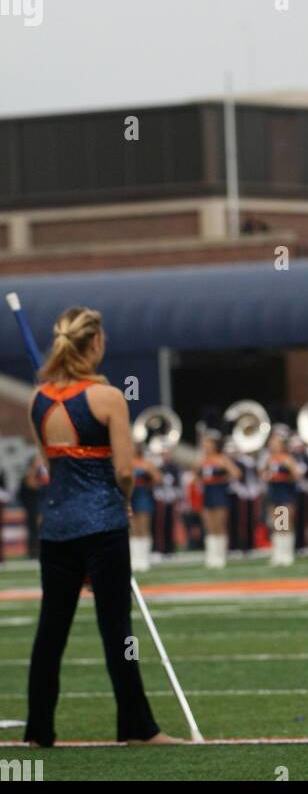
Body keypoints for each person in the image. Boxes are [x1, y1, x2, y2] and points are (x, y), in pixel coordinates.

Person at [24, 306, 176, 746]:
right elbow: (126, 470)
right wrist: (123, 502)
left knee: (51, 630)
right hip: (104, 523)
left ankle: (38, 731)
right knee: (116, 631)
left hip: (56, 527)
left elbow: (49, 462)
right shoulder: (107, 397)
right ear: (94, 344)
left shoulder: (38, 399)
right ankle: (136, 727)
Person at [195, 430, 241, 568]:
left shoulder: (222, 459)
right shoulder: (203, 460)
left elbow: (236, 474)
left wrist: (222, 478)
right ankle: (211, 556)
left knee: (219, 525)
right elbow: (195, 475)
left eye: (209, 444)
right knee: (210, 526)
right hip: (208, 493)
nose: (206, 446)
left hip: (219, 493)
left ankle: (220, 556)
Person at [261, 426, 304, 565]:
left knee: (286, 523)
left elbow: (297, 475)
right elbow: (262, 474)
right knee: (276, 523)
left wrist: (286, 473)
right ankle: (278, 552)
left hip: (286, 492)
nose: (273, 445)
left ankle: (287, 553)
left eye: (276, 443)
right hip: (274, 492)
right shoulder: (269, 459)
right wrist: (266, 475)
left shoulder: (287, 458)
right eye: (271, 443)